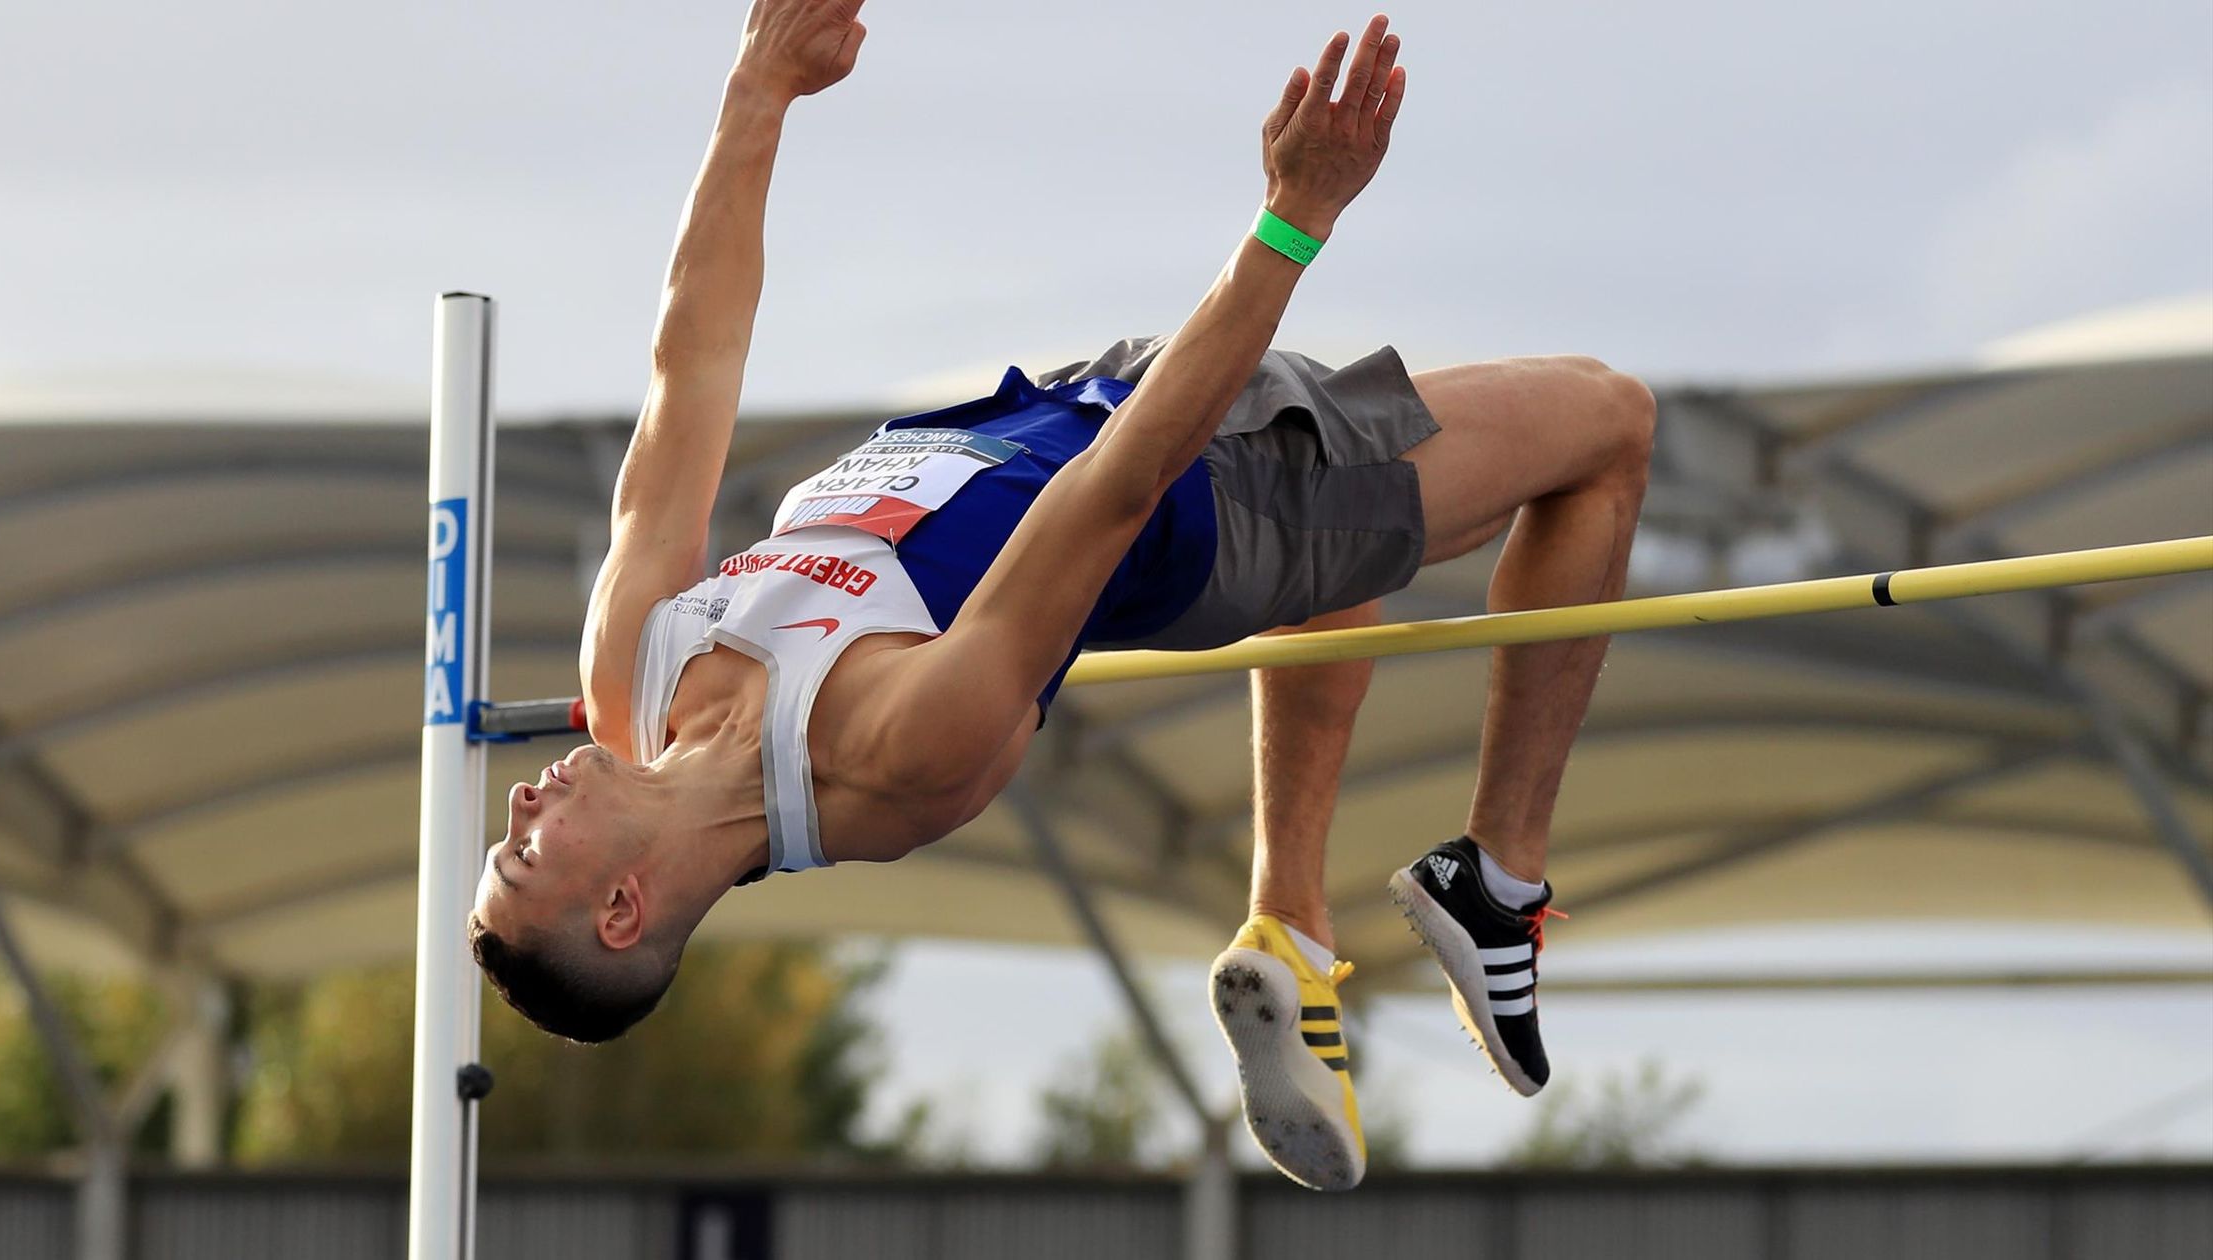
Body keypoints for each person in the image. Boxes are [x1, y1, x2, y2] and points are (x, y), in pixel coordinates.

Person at [468, 0, 1654, 1192]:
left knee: (1359, 572)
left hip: (1064, 400)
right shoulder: (889, 758)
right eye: (525, 852)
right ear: (623, 908)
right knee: (1605, 421)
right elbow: (1115, 490)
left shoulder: (630, 675)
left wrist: (757, 89)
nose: (519, 801)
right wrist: (1295, 221)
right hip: (1213, 482)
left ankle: (1290, 930)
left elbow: (692, 367)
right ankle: (1498, 886)